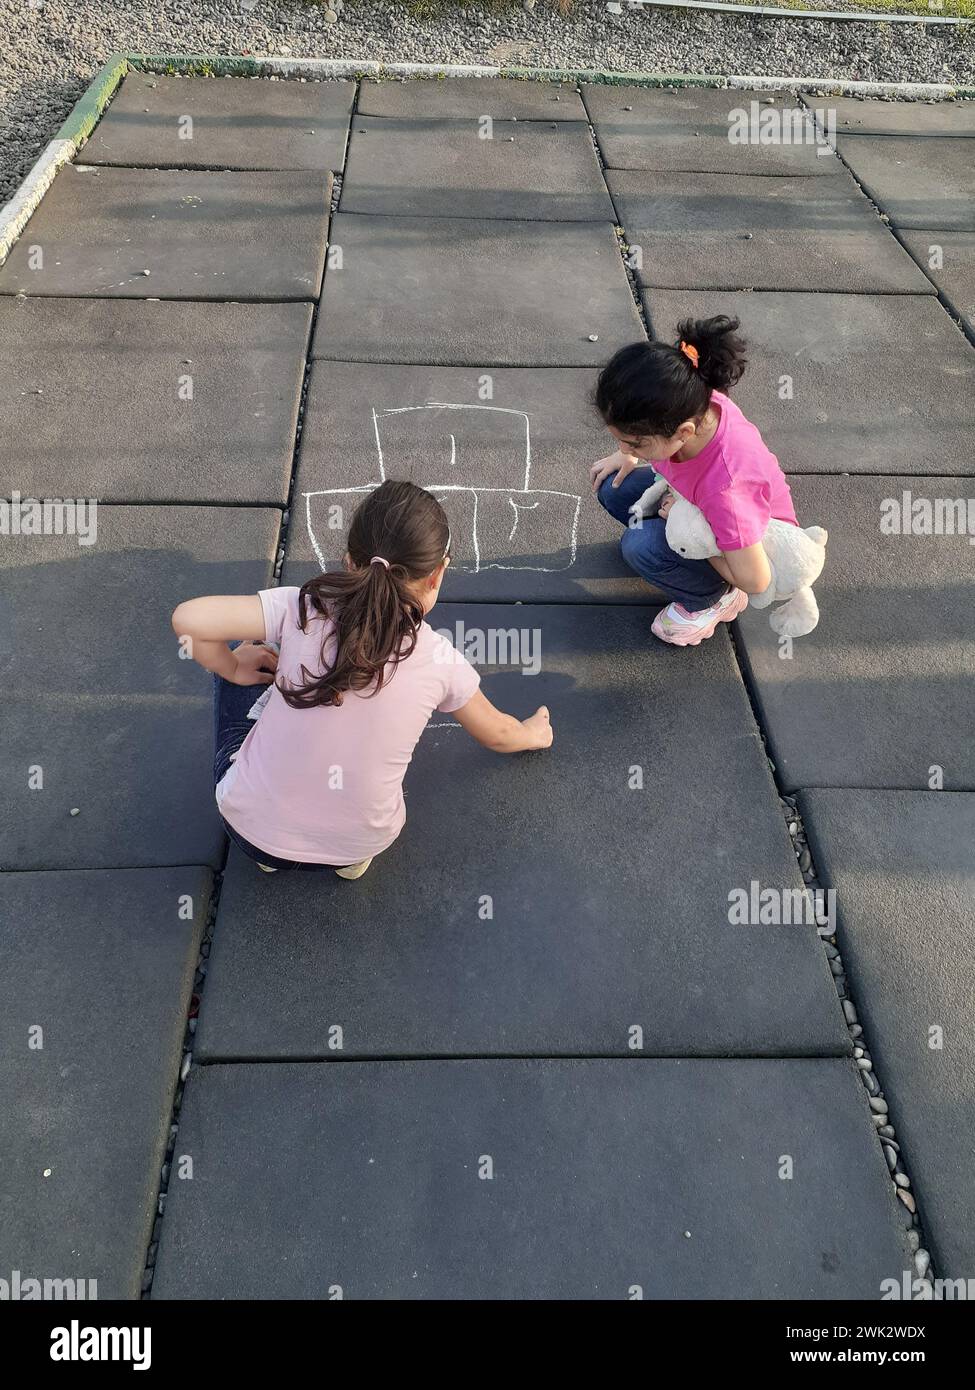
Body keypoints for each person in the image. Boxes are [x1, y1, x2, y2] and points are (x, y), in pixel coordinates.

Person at [171, 480, 553, 878]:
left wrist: (233, 666)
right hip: (360, 840)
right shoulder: (442, 659)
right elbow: (498, 734)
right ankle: (350, 865)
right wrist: (533, 734)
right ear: (437, 575)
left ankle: (267, 857)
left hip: (250, 831)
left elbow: (188, 620)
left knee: (245, 652)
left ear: (349, 560)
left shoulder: (302, 606)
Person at [590, 315, 798, 647]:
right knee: (613, 486)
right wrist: (628, 455)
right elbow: (647, 441)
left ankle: (715, 598)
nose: (626, 448)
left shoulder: (727, 491)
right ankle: (674, 557)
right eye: (621, 439)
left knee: (640, 545)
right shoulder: (693, 399)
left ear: (684, 432)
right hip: (694, 502)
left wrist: (681, 518)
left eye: (635, 443)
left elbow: (758, 580)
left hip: (751, 550)